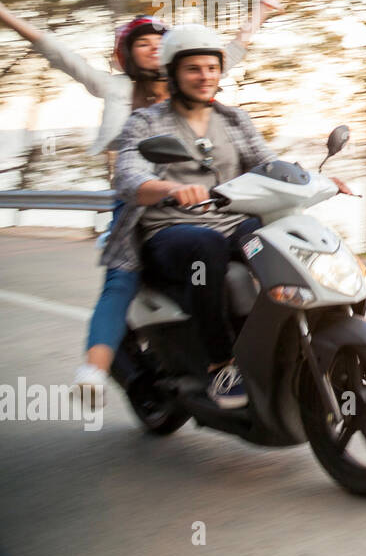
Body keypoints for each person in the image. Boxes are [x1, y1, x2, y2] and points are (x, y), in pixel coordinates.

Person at [0, 0, 281, 395]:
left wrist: (261, 11)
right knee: (122, 279)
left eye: (159, 43)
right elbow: (58, 52)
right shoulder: (120, 93)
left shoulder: (204, 90)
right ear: (127, 56)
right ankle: (97, 370)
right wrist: (7, 16)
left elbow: (226, 53)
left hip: (209, 203)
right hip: (140, 201)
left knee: (265, 235)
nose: (153, 50)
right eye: (142, 44)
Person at [110, 25, 351, 408]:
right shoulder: (147, 123)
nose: (205, 76)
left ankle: (300, 334)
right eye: (194, 69)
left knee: (289, 236)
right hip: (172, 232)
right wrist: (172, 190)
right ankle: (220, 363)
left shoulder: (234, 119)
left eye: (211, 67)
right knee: (205, 249)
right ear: (173, 73)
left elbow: (267, 164)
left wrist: (316, 179)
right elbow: (127, 174)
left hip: (230, 222)